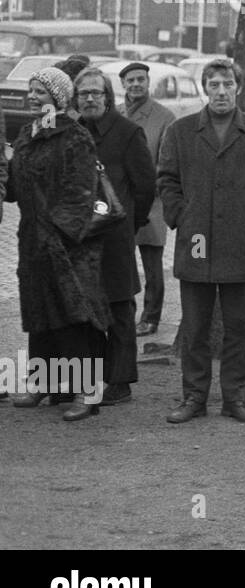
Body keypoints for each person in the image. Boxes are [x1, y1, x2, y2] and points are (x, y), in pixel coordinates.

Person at [158, 58, 245, 425]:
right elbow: (166, 180)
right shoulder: (181, 132)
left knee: (238, 327)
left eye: (227, 84)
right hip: (195, 239)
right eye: (214, 84)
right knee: (195, 327)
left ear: (238, 88)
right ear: (204, 88)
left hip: (239, 243)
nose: (221, 91)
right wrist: (181, 214)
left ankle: (235, 398)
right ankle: (194, 396)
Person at [8, 68, 110, 421]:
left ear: (59, 98)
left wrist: (60, 233)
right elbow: (18, 187)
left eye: (41, 92)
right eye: (31, 91)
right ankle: (42, 383)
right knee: (39, 315)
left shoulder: (75, 137)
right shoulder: (27, 134)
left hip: (69, 246)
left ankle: (86, 393)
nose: (33, 97)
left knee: (73, 319)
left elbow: (82, 193)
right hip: (32, 241)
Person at [73, 67, 155, 407]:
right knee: (89, 308)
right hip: (82, 238)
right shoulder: (75, 132)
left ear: (108, 96)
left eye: (96, 92)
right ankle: (92, 378)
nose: (90, 98)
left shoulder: (128, 133)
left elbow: (146, 185)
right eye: (84, 94)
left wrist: (130, 224)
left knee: (120, 308)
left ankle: (120, 381)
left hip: (117, 237)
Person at [121, 62, 175, 338]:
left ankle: (151, 317)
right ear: (123, 85)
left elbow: (166, 162)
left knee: (152, 263)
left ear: (148, 82)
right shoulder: (116, 113)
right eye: (130, 80)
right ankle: (122, 314)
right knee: (120, 261)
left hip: (150, 201)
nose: (136, 84)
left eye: (140, 79)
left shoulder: (164, 117)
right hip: (118, 202)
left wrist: (142, 185)